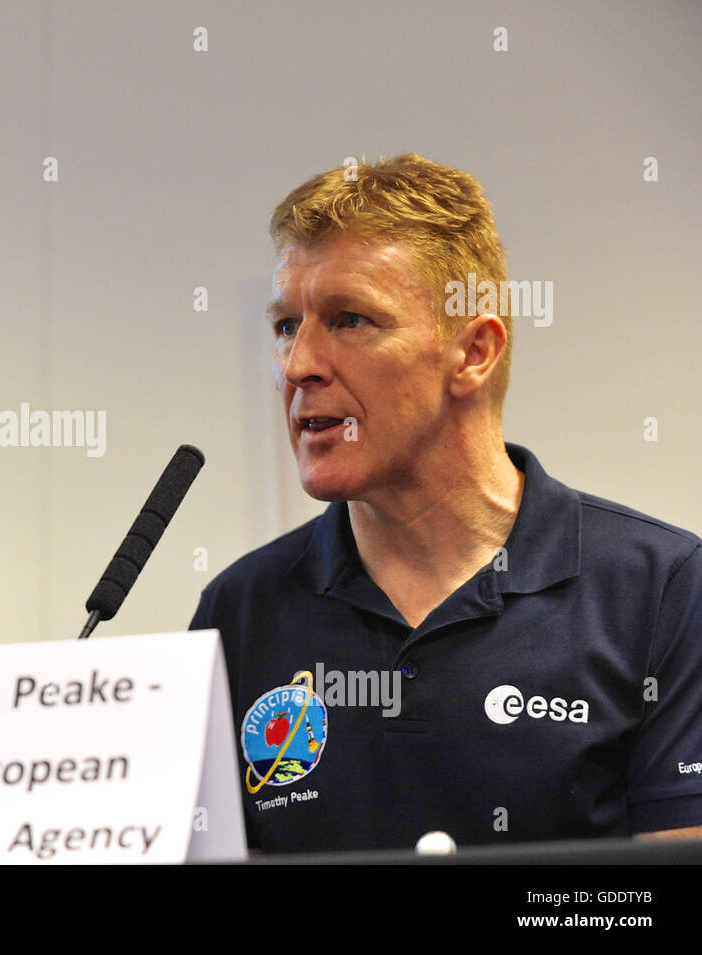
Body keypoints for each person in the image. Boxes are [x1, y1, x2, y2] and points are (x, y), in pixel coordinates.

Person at [190, 155, 702, 853]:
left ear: (474, 351)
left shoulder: (663, 590)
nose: (298, 363)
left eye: (348, 319)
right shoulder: (239, 610)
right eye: (286, 326)